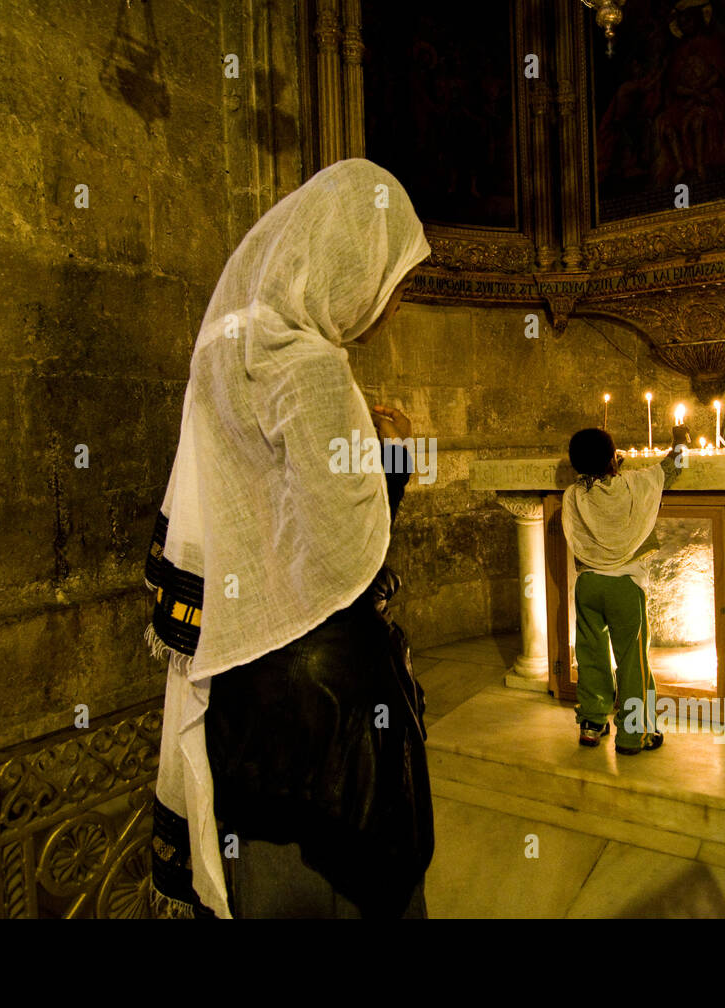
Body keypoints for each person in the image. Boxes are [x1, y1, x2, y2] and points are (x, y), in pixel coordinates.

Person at [142, 158, 433, 918]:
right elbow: (342, 553)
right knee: (351, 893)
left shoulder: (226, 349)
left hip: (243, 669)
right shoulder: (310, 365)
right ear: (351, 258)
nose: (397, 303)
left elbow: (259, 519)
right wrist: (393, 462)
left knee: (268, 885)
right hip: (328, 701)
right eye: (396, 281)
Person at [562, 423, 689, 755]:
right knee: (632, 662)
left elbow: (594, 482)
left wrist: (606, 463)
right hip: (624, 587)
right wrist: (680, 441)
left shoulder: (573, 494)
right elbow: (671, 468)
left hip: (588, 586)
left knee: (590, 656)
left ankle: (591, 723)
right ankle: (634, 734)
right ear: (613, 462)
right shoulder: (633, 484)